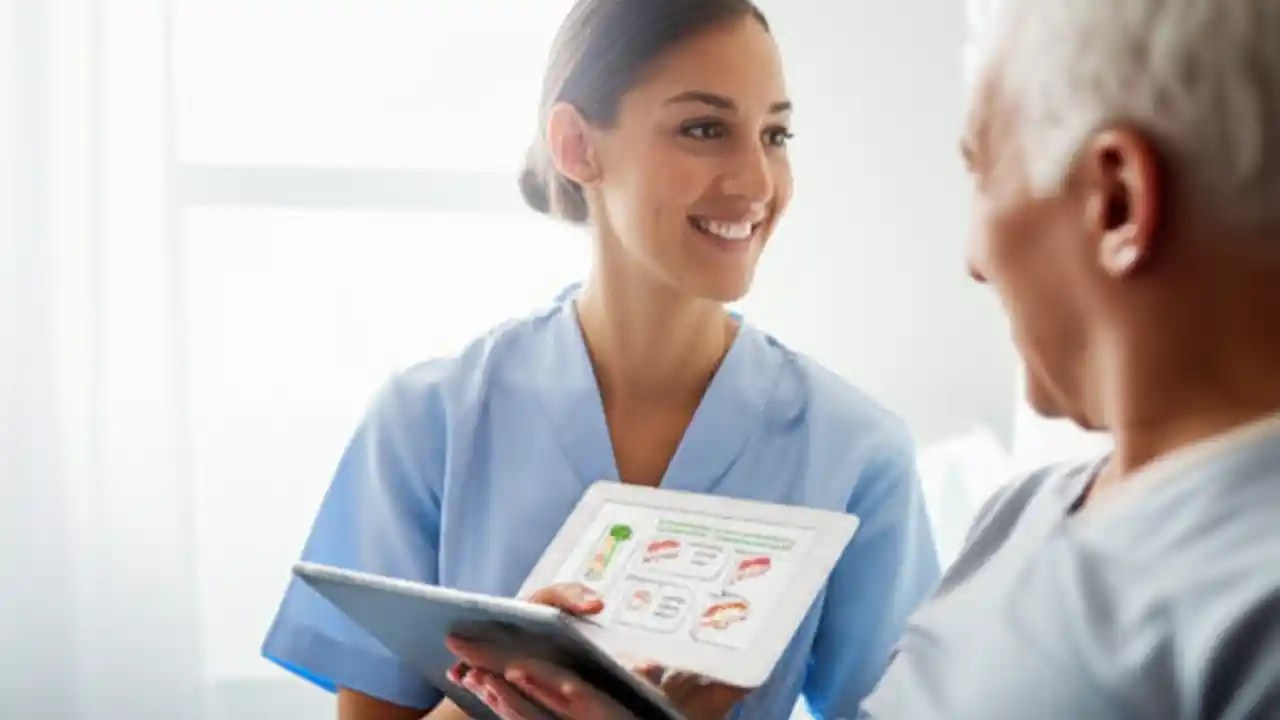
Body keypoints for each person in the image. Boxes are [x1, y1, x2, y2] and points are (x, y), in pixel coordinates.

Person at [465, 0, 1280, 718]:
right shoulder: (1023, 516)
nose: (975, 259)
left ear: (1117, 202)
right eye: (705, 127)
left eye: (982, 171)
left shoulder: (1248, 614)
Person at [259, 1, 941, 718]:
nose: (757, 182)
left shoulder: (855, 452)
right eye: (704, 129)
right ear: (578, 145)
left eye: (775, 134)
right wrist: (508, 689)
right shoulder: (427, 424)